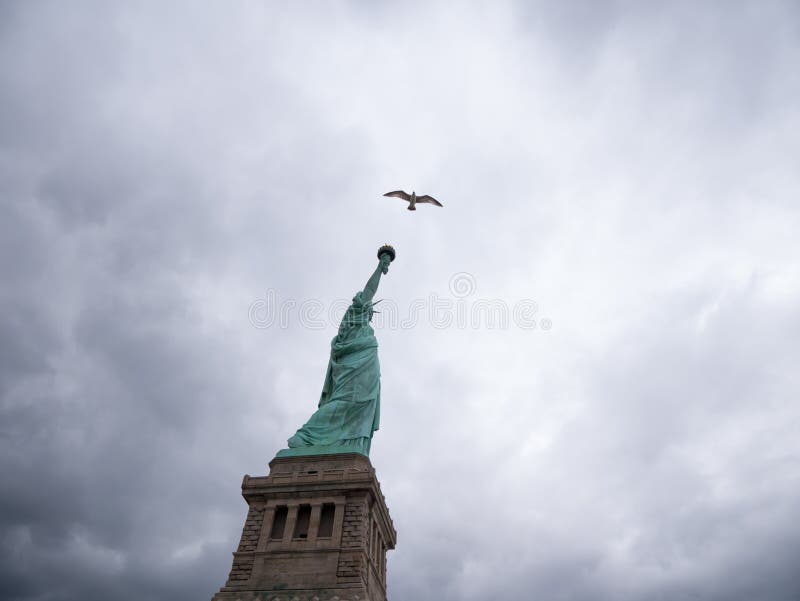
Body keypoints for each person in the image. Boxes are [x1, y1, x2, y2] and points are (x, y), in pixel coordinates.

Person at [278, 251, 392, 457]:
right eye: (365, 308)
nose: (368, 311)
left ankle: (352, 441)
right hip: (351, 364)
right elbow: (369, 290)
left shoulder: (365, 328)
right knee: (345, 400)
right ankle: (306, 435)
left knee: (364, 404)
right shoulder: (353, 318)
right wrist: (380, 268)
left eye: (369, 312)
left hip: (368, 365)